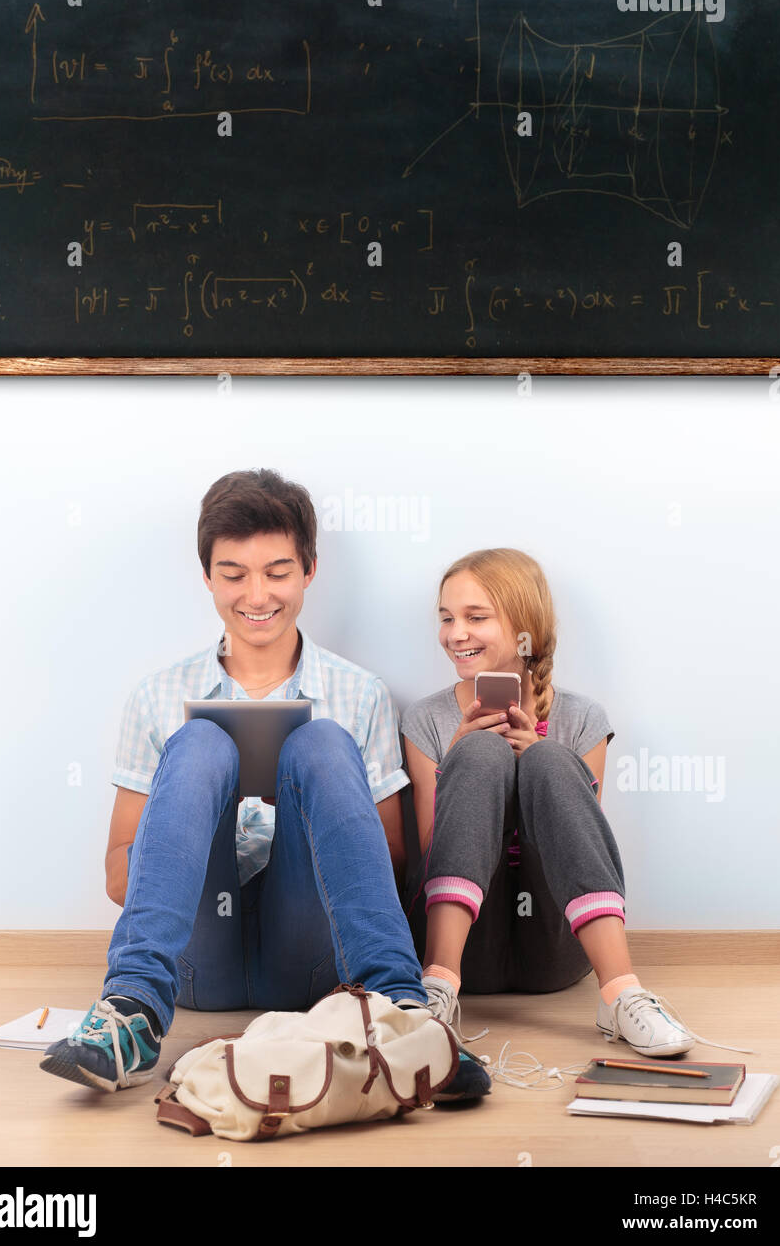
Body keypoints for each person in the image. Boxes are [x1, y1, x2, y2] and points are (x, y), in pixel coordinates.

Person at [40, 469, 490, 1100]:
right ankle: (132, 1014)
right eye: (234, 574)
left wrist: (293, 813)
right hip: (200, 959)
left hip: (306, 954)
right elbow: (118, 876)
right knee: (199, 743)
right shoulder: (157, 696)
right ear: (207, 578)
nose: (257, 593)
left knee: (321, 741)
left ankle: (401, 1019)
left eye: (278, 572)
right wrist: (208, 816)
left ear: (310, 570)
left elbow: (386, 863)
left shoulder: (359, 694)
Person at [401, 547, 705, 1059]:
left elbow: (583, 846)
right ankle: (437, 989)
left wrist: (540, 753)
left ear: (526, 626)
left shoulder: (583, 717)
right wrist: (458, 758)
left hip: (555, 948)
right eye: (447, 618)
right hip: (466, 945)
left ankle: (621, 994)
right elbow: (432, 846)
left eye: (476, 617)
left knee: (548, 761)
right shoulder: (425, 719)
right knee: (477, 750)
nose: (456, 633)